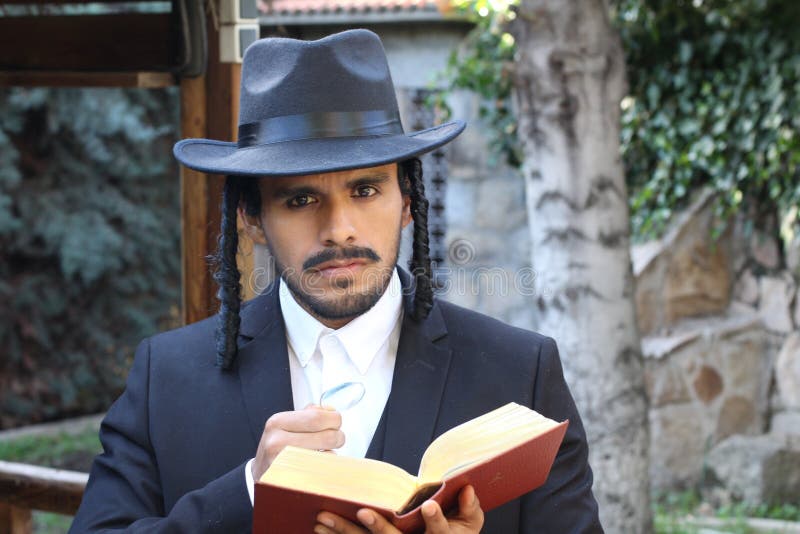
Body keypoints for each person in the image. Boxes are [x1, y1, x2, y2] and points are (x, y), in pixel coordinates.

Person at [70, 29, 602, 533]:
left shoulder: (520, 375)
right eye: (300, 200)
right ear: (251, 220)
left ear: (407, 202)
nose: (339, 229)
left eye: (366, 190)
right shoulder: (165, 379)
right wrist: (251, 491)